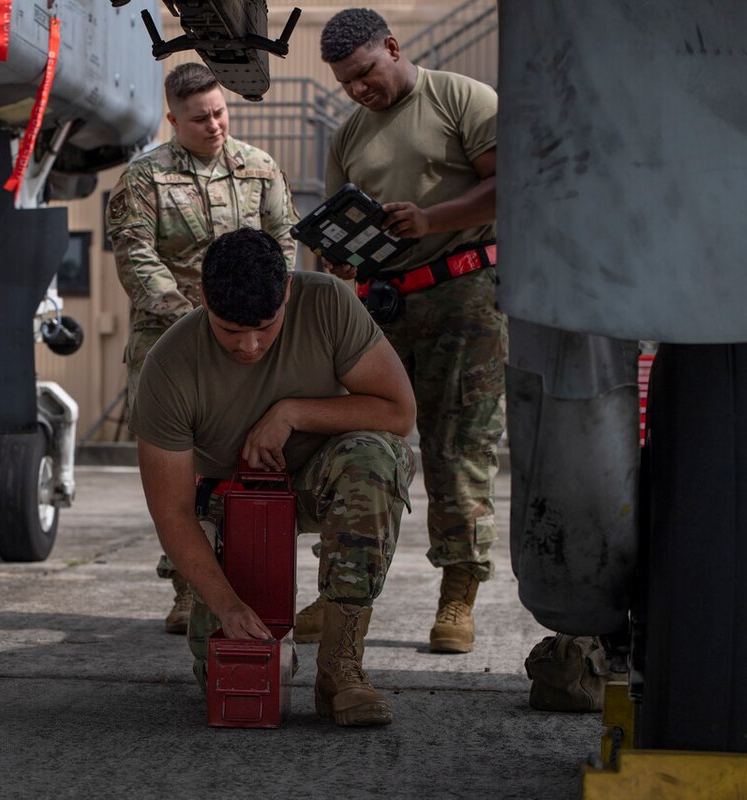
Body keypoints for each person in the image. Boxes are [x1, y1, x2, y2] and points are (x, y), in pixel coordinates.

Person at [132, 228, 416, 726]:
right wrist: (226, 606)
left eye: (266, 326)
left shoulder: (326, 303)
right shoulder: (169, 367)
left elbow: (398, 412)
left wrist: (293, 413)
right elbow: (173, 513)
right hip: (234, 503)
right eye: (228, 330)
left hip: (321, 477)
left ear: (286, 291)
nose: (249, 345)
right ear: (202, 297)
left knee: (374, 457)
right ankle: (238, 623)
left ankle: (341, 668)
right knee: (230, 676)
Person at [306, 8, 504, 655]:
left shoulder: (460, 98)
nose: (359, 90)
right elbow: (339, 220)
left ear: (392, 47)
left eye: (365, 73)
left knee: (457, 447)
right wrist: (337, 257)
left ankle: (458, 596)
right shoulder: (348, 136)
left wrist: (432, 219)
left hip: (461, 294)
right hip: (381, 307)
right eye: (347, 84)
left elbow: (512, 185)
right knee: (362, 444)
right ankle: (342, 592)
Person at [106, 62, 300, 634]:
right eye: (199, 118)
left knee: (244, 456)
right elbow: (136, 258)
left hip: (249, 336)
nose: (214, 125)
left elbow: (283, 241)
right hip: (172, 337)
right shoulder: (143, 177)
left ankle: (246, 576)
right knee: (179, 467)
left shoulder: (261, 168)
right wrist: (195, 317)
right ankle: (188, 587)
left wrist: (259, 309)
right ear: (173, 119)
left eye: (219, 112)